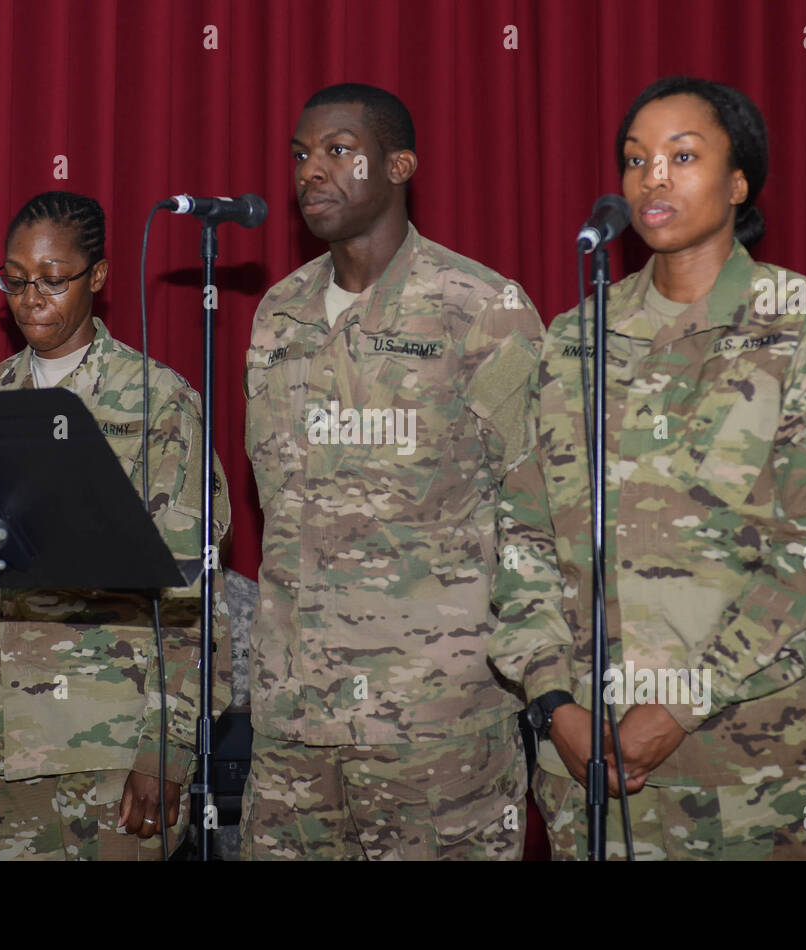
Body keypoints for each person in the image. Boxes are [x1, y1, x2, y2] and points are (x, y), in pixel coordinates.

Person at [491, 76, 806, 860]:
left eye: (683, 155)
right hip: (587, 775)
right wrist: (553, 701)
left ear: (739, 183)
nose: (653, 177)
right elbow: (521, 536)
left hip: (746, 776)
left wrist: (680, 706)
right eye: (636, 160)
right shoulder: (575, 339)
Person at [240, 83, 545, 860]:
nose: (313, 172)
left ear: (400, 164)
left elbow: (539, 511)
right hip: (293, 725)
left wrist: (543, 681)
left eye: (339, 151)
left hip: (433, 724)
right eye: (302, 155)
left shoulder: (481, 307)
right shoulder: (279, 312)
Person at [0, 190, 231, 860]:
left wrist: (167, 750)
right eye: (15, 279)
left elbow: (193, 593)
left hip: (112, 754)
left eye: (53, 280)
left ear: (97, 277)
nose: (31, 297)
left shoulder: (159, 402)